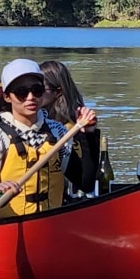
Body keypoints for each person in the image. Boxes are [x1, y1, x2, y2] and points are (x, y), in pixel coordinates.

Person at [0, 58, 99, 216]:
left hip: (50, 226)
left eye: (36, 90)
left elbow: (86, 184)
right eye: (21, 92)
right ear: (7, 97)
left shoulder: (57, 132)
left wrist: (89, 134)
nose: (30, 97)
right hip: (8, 227)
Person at [38, 59, 112, 196]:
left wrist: (89, 134)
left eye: (40, 88)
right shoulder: (37, 122)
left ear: (58, 92)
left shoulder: (74, 126)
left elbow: (85, 181)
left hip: (69, 196)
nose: (33, 94)